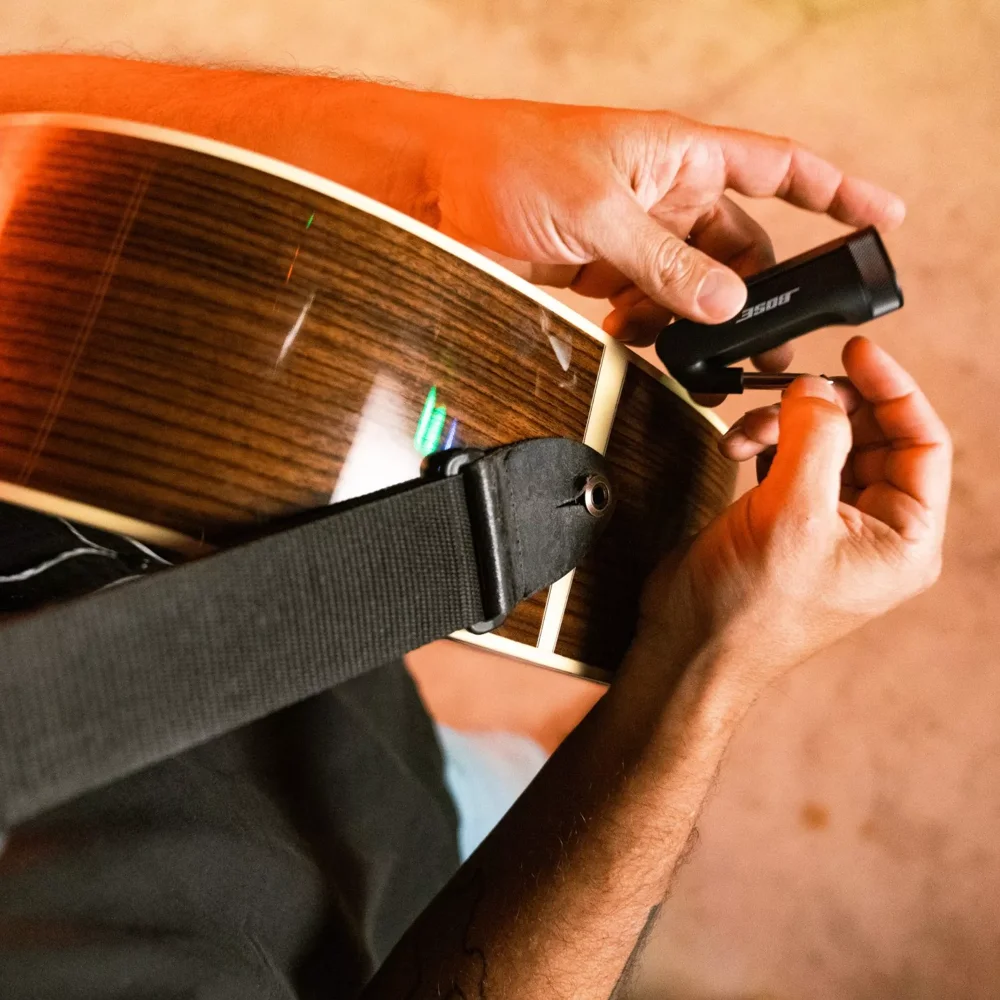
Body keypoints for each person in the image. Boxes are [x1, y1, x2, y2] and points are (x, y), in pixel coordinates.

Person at [0, 55, 950, 999]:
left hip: (314, 662)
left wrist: (435, 158)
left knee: (477, 774)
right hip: (411, 896)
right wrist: (700, 678)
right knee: (523, 806)